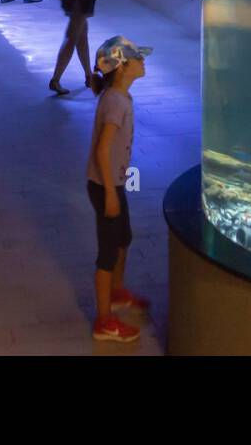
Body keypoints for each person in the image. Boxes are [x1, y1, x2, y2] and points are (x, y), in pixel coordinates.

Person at [87, 35, 153, 342]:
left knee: (123, 239)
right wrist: (111, 195)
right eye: (138, 58)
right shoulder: (114, 100)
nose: (143, 62)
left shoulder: (119, 95)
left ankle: (117, 293)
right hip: (105, 186)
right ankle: (104, 321)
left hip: (113, 183)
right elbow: (103, 150)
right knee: (108, 253)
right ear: (123, 66)